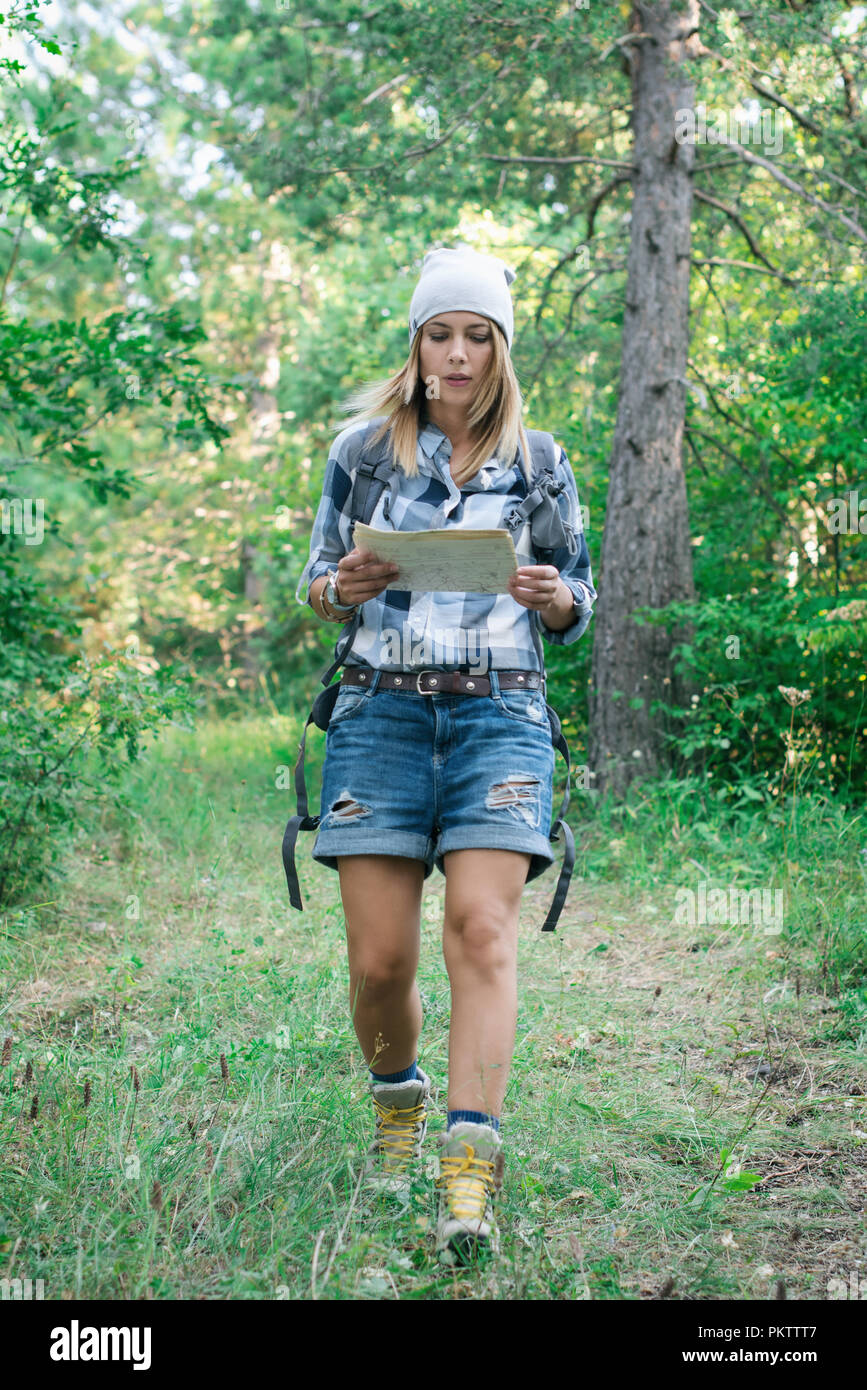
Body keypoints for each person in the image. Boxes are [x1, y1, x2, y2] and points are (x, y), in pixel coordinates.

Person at [294, 245, 596, 1264]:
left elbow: (577, 602)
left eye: (477, 335)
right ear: (415, 345)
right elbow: (315, 587)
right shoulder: (361, 454)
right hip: (378, 715)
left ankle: (471, 1170)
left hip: (499, 719)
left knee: (481, 928)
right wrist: (349, 580)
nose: (457, 353)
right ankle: (398, 1102)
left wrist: (557, 598)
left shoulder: (541, 462)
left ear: (500, 347)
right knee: (380, 961)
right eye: (440, 333)